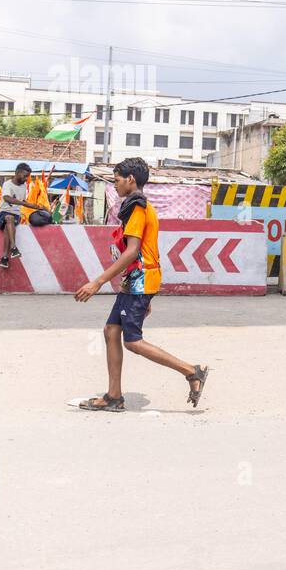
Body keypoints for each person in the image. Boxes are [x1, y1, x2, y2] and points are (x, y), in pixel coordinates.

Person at [74, 157, 209, 411]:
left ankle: (192, 371)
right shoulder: (138, 206)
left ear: (130, 179)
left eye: (116, 180)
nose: (114, 185)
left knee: (132, 341)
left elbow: (132, 251)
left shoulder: (137, 208)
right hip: (136, 281)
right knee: (112, 331)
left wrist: (98, 282)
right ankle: (114, 396)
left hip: (140, 280)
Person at [0, 163, 48, 268]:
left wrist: (37, 207)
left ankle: (4, 258)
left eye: (28, 176)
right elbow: (7, 198)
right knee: (8, 218)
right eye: (25, 176)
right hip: (2, 213)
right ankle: (13, 247)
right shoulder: (7, 184)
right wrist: (23, 203)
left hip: (16, 215)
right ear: (17, 173)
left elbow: (23, 201)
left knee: (8, 225)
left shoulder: (23, 186)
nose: (26, 178)